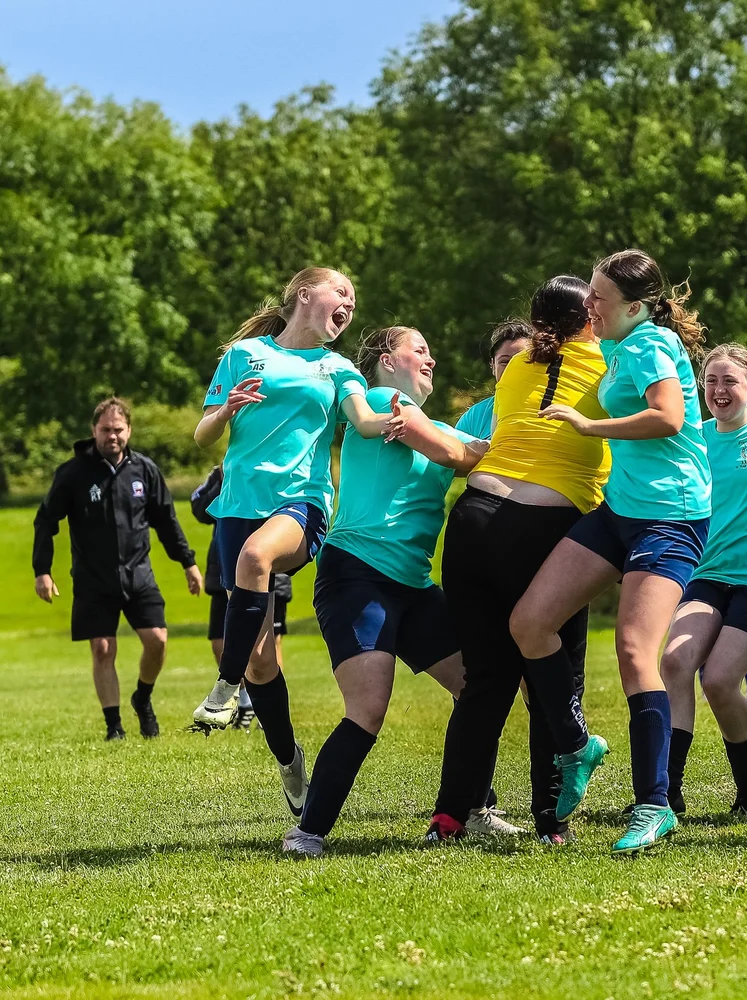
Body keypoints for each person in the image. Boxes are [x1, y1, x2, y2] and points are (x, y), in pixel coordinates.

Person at [510, 250, 712, 855]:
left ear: (637, 306)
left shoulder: (650, 344)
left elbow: (669, 418)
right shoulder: (620, 347)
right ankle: (577, 746)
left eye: (599, 297)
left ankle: (655, 804)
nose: (589, 306)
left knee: (633, 651)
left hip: (670, 516)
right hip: (621, 511)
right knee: (530, 623)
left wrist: (589, 428)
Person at [189, 268, 397, 822]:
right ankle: (288, 759)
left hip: (302, 504)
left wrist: (400, 418)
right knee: (262, 663)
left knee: (256, 556)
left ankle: (222, 689)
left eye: (354, 299)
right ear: (306, 295)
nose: (350, 303)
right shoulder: (244, 354)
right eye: (342, 292)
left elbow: (364, 422)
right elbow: (203, 435)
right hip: (237, 506)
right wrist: (226, 411)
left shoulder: (338, 368)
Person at [283, 326, 493, 857]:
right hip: (357, 574)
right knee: (368, 708)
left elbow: (464, 447)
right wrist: (477, 450)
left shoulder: (431, 424)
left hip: (414, 586)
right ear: (386, 359)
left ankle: (472, 809)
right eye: (419, 349)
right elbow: (458, 454)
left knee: (480, 685)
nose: (431, 358)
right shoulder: (381, 402)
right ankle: (306, 833)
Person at [429, 276, 609, 847]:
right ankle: (552, 823)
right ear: (590, 318)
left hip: (473, 519)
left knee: (484, 680)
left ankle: (449, 818)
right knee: (555, 672)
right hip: (544, 524)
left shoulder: (516, 370)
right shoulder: (609, 364)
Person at [660, 346, 747, 815]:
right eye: (711, 381)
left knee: (720, 680)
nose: (719, 390)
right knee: (675, 662)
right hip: (707, 574)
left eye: (730, 381)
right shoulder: (694, 437)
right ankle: (666, 791)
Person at [32, 397, 204, 741]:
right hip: (93, 578)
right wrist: (43, 570)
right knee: (102, 648)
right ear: (94, 430)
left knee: (157, 640)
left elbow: (166, 521)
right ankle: (114, 726)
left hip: (138, 574)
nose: (112, 435)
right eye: (105, 429)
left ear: (129, 431)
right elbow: (46, 521)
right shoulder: (73, 473)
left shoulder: (145, 470)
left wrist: (188, 563)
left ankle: (143, 697)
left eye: (118, 429)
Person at [190, 465, 292, 730]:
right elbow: (199, 509)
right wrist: (223, 478)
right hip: (225, 571)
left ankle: (269, 711)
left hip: (270, 574)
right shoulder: (222, 472)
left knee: (268, 645)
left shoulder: (278, 469)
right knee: (221, 642)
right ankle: (245, 702)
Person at [454, 320, 533, 440]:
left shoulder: (552, 406)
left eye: (522, 361)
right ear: (493, 365)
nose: (512, 368)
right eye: (505, 361)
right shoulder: (475, 417)